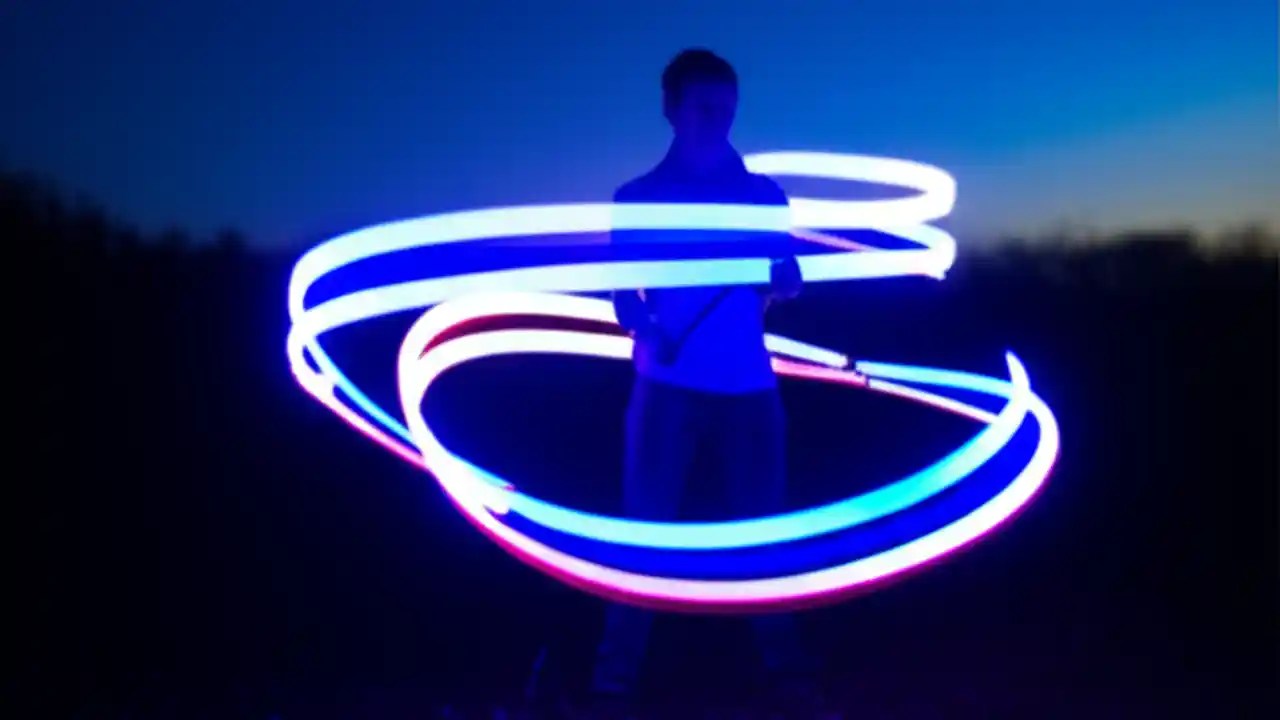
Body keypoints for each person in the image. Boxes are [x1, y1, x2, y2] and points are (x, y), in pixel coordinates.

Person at [589, 48, 833, 714]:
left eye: (726, 110)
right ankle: (612, 688)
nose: (717, 123)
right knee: (645, 537)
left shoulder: (762, 197)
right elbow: (622, 301)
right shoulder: (637, 201)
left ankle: (791, 685)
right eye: (703, 109)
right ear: (670, 109)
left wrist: (784, 279)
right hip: (666, 393)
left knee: (763, 539)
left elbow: (784, 281)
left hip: (750, 392)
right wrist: (648, 326)